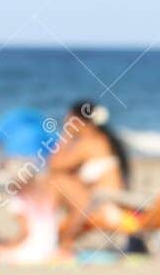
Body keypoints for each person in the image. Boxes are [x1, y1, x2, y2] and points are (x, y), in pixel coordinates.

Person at [46, 100, 132, 249]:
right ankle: (53, 237)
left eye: (68, 121)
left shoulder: (89, 143)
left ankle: (57, 240)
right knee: (58, 181)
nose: (66, 124)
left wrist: (65, 136)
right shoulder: (103, 140)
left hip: (106, 209)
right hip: (107, 205)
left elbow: (54, 165)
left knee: (57, 181)